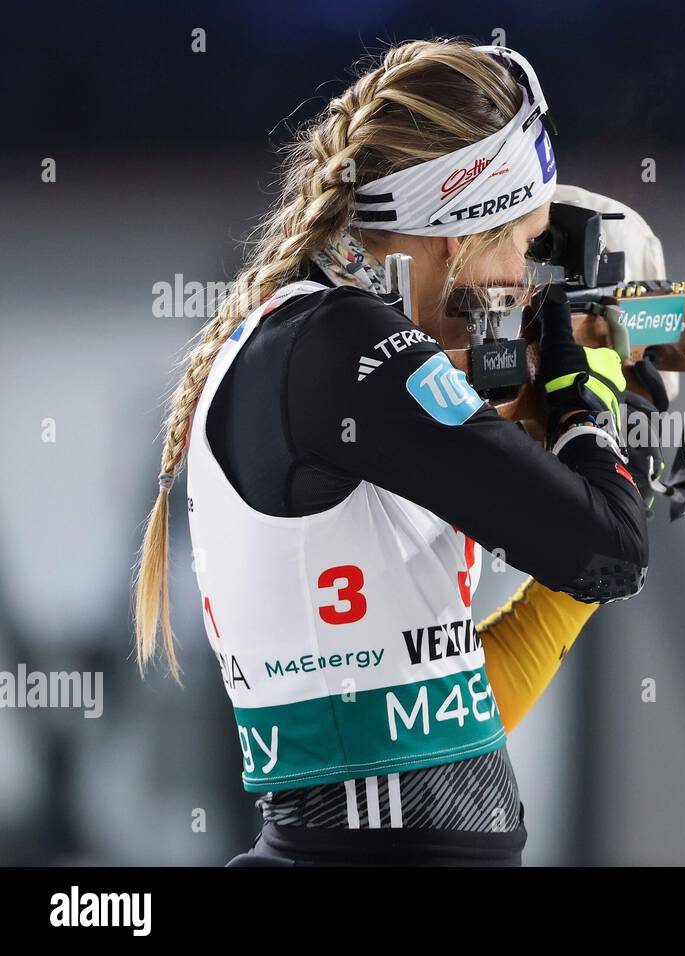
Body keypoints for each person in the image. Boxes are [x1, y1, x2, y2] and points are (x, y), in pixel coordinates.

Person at [131, 38, 650, 866]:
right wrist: (586, 392)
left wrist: (604, 449)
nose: (527, 276)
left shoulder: (319, 347)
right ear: (459, 233)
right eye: (528, 241)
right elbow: (608, 547)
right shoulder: (338, 344)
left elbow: (450, 722)